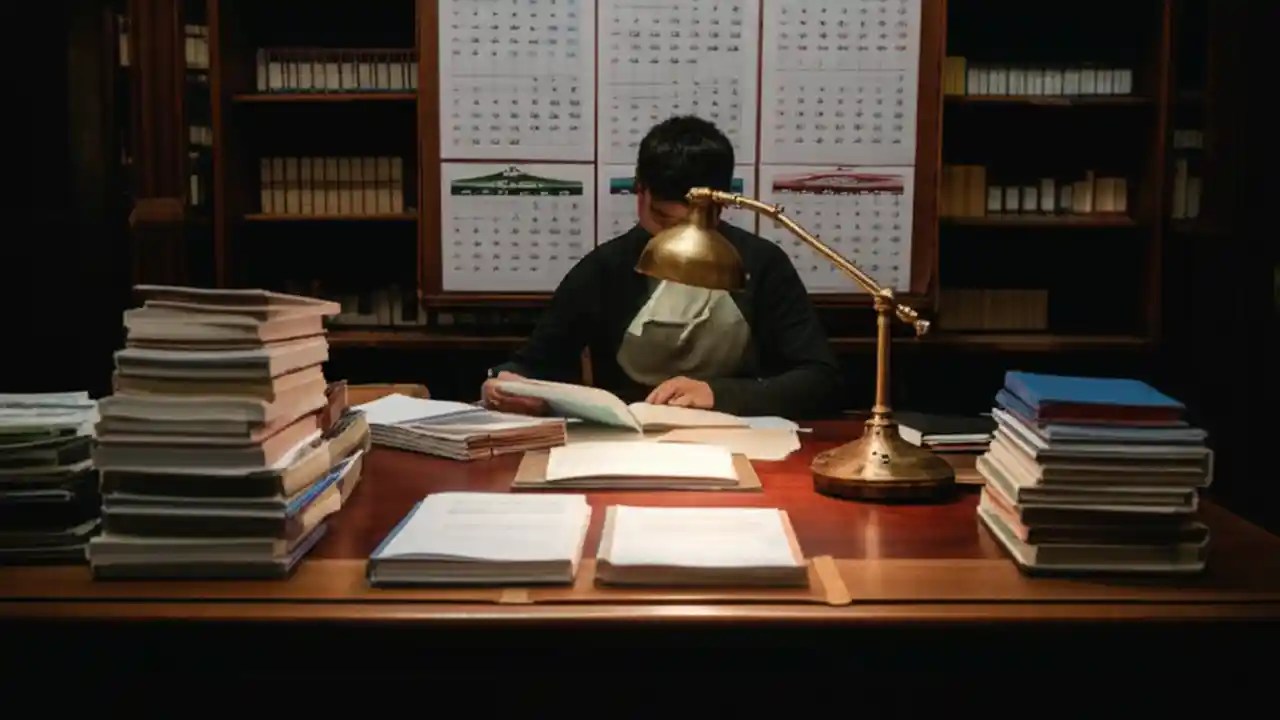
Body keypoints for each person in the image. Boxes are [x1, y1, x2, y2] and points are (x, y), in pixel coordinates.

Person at [480, 115, 842, 419]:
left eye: (694, 223)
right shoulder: (606, 268)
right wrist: (505, 382)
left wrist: (716, 394)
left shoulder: (761, 263)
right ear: (640, 192)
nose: (678, 237)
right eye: (663, 220)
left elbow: (820, 380)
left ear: (721, 205)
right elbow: (535, 363)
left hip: (740, 440)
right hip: (625, 443)